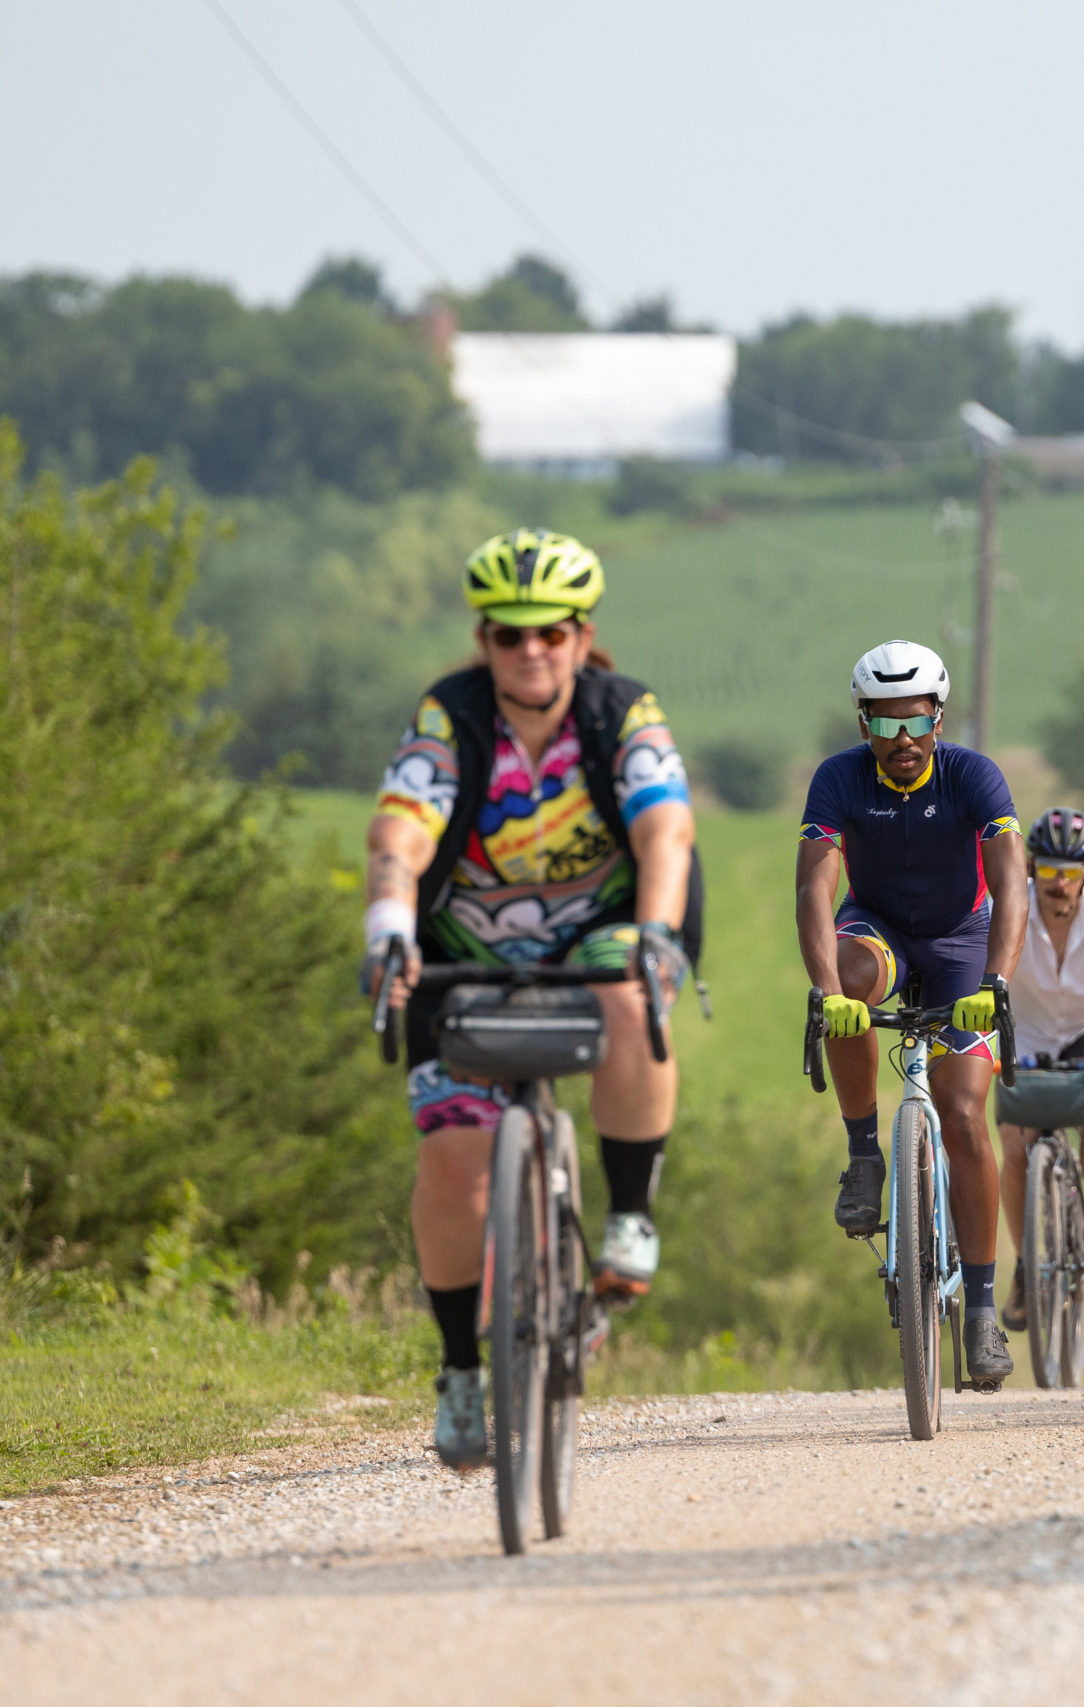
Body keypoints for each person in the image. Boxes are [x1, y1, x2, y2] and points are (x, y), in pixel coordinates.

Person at [364, 529, 697, 1471]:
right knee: (454, 1162)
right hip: (463, 952)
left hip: (598, 934)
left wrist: (661, 930)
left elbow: (665, 830)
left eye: (551, 632)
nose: (531, 652)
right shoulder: (451, 716)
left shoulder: (620, 711)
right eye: (509, 636)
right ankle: (461, 1370)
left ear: (583, 634)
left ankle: (629, 1213)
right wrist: (387, 925)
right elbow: (400, 833)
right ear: (484, 642)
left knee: (631, 993)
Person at [795, 640, 1028, 1390]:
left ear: (938, 718)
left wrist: (995, 978)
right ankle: (865, 1153)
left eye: (916, 722)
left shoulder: (971, 775)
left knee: (963, 1118)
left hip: (962, 943)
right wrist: (828, 989)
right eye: (885, 723)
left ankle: (983, 1311)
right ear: (863, 722)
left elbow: (1011, 884)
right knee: (848, 984)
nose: (902, 741)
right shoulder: (838, 778)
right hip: (881, 932)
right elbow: (814, 888)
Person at [997, 807, 1084, 1330]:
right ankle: (1026, 1264)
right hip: (1023, 1032)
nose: (1059, 883)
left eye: (1070, 872)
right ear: (1031, 868)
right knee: (1012, 1138)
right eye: (1048, 870)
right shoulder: (1010, 907)